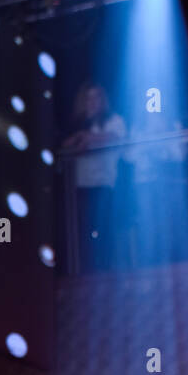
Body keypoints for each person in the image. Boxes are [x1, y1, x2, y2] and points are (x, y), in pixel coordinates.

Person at [62, 83, 127, 270]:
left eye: (97, 97)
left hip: (105, 183)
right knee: (83, 232)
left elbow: (117, 138)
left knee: (105, 230)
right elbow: (64, 146)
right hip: (80, 184)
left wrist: (88, 137)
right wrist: (77, 139)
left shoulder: (114, 120)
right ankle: (85, 270)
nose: (93, 102)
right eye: (89, 98)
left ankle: (106, 269)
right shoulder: (77, 123)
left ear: (103, 100)